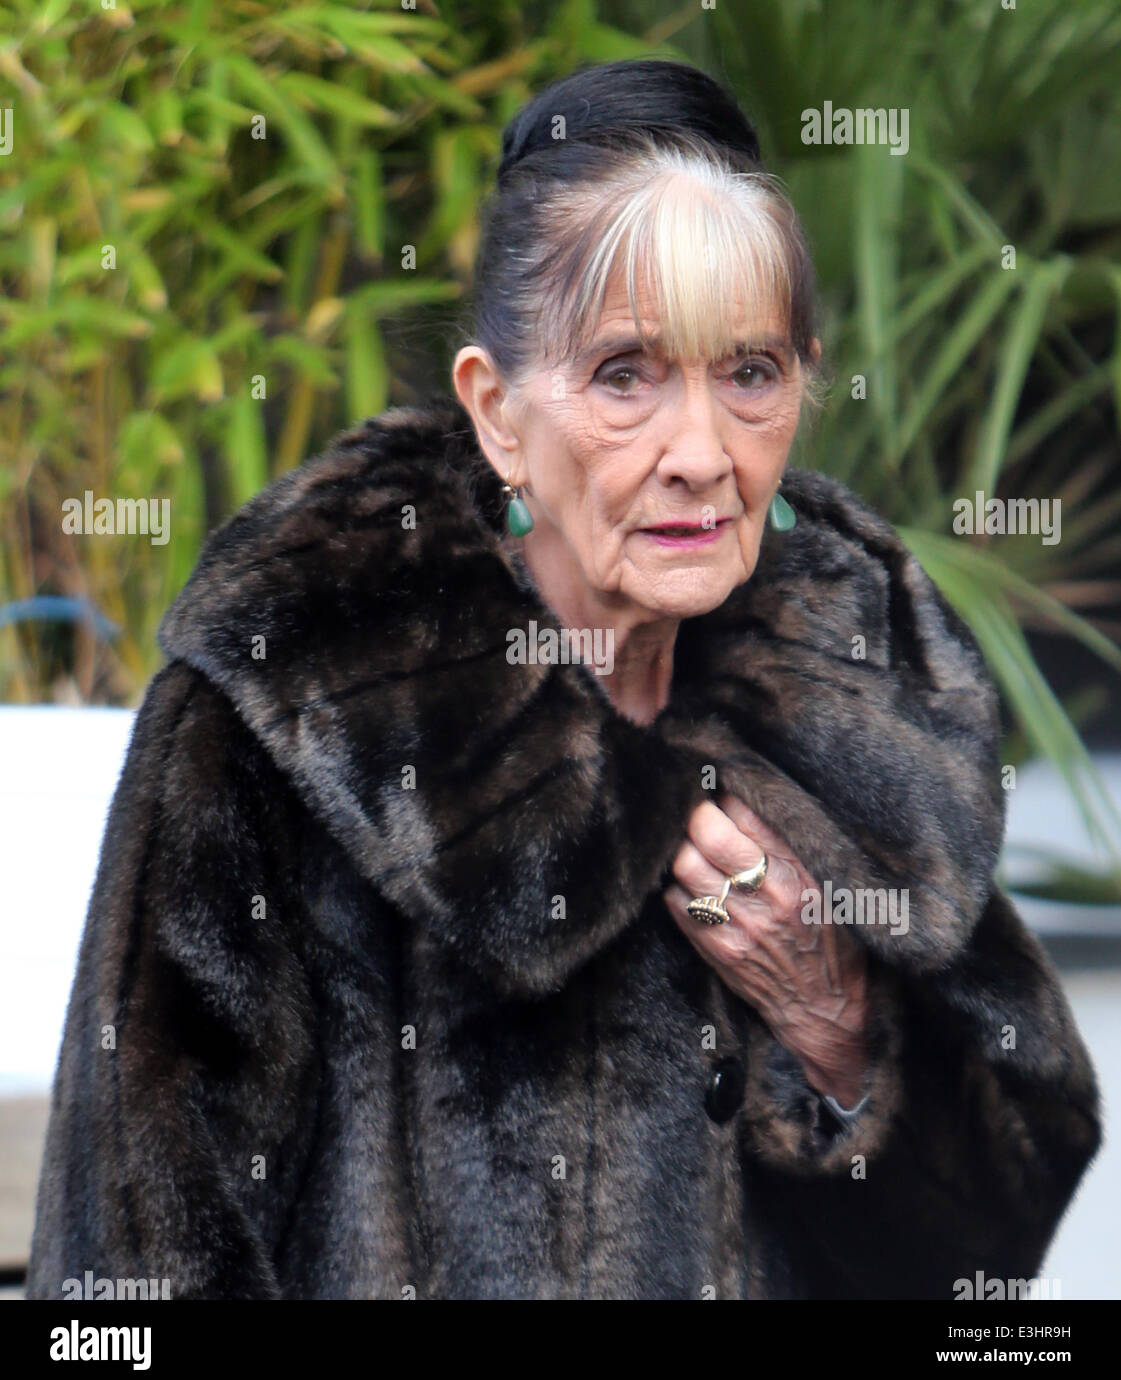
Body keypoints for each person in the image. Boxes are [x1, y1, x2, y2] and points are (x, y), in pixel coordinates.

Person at [28, 58, 1100, 1300]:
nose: (699, 454)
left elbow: (995, 1237)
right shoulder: (293, 709)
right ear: (495, 411)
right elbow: (132, 1272)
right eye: (624, 375)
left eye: (748, 373)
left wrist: (833, 1023)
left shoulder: (857, 710)